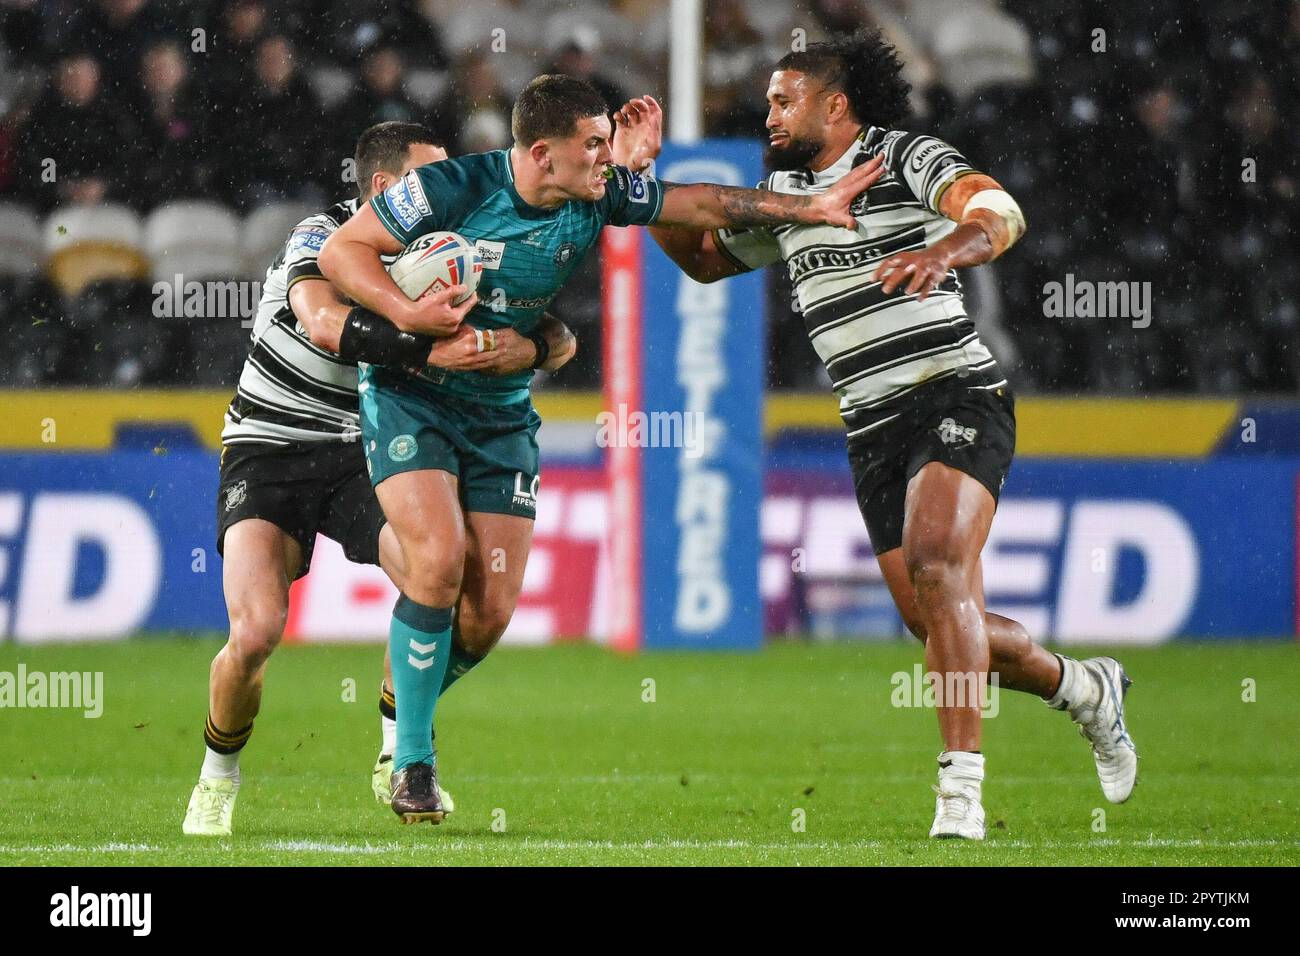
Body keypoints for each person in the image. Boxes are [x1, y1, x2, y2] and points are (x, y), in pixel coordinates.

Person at [317, 73, 879, 823]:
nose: (607, 158)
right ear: (543, 154)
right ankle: (413, 762)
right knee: (439, 559)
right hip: (410, 396)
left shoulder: (599, 192)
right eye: (593, 145)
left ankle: (396, 716)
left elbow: (702, 203)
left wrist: (805, 206)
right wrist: (404, 310)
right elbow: (342, 254)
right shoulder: (453, 188)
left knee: (487, 617)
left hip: (501, 415)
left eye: (609, 143)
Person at [646, 32, 1138, 840]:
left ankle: (960, 797)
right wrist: (641, 188)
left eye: (784, 99)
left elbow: (998, 211)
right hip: (871, 425)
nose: (768, 112)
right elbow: (703, 260)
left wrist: (945, 248)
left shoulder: (902, 156)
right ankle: (1083, 689)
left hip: (954, 391)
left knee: (939, 565)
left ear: (834, 105)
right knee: (937, 615)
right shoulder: (791, 196)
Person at [182, 121, 578, 836]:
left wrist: (536, 344)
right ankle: (218, 775)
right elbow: (322, 318)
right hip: (271, 446)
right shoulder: (323, 236)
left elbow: (550, 330)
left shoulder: (453, 252)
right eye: (434, 180)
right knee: (257, 632)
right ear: (390, 189)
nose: (452, 193)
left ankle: (399, 749)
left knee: (446, 576)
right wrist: (420, 347)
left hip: (363, 448)